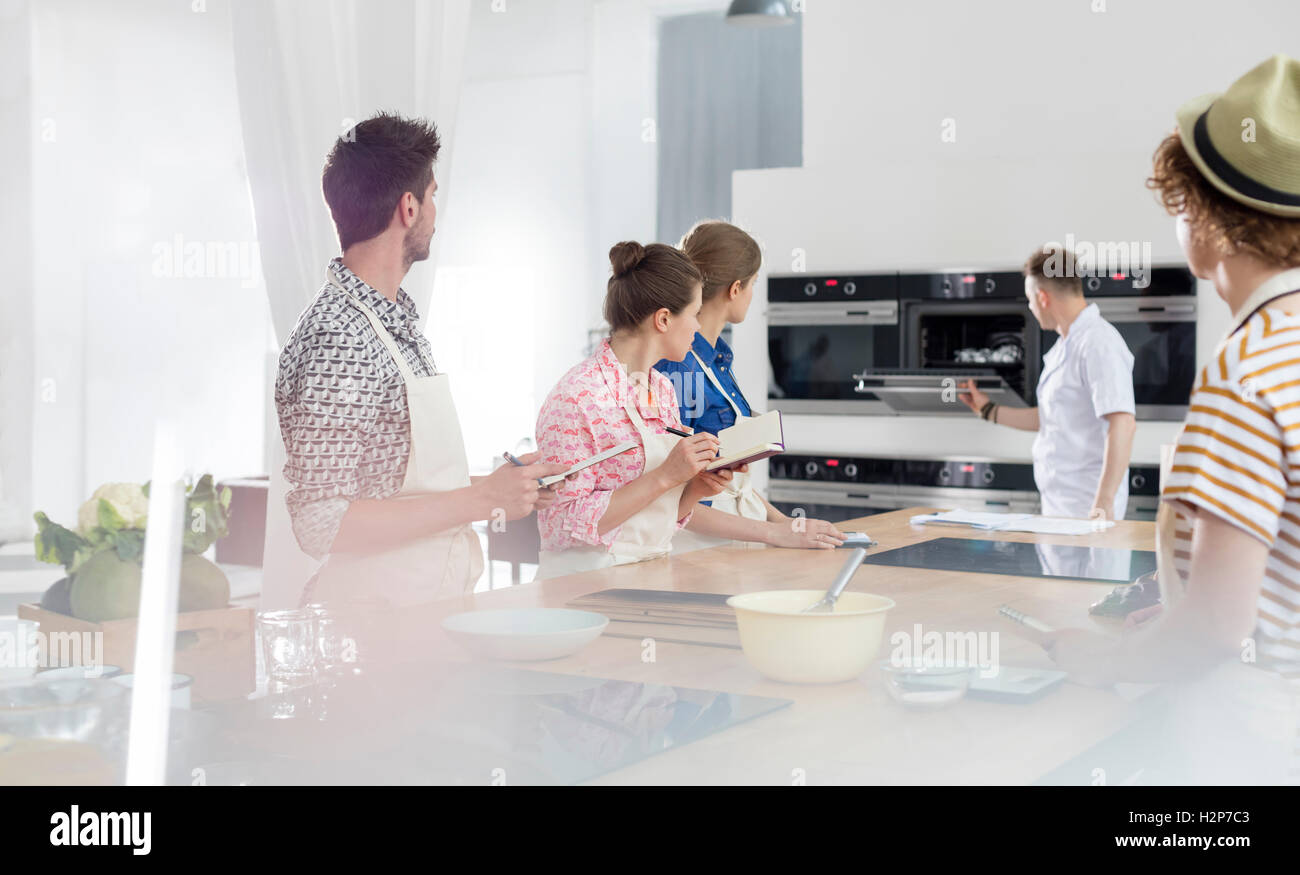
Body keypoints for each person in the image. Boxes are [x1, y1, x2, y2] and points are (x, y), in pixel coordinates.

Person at [1044, 55, 1300, 781]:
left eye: (1183, 204)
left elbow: (1222, 629)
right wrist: (1179, 614)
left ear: (1213, 220)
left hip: (1250, 742)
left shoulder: (1244, 368)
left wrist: (1109, 657)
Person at [274, 112, 566, 608]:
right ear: (409, 207)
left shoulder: (392, 321)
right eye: (433, 197)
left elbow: (393, 487)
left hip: (425, 607)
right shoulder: (338, 337)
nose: (436, 212)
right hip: (374, 628)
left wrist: (503, 488)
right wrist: (480, 500)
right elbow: (321, 522)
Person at [534, 242, 845, 579]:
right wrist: (666, 475)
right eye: (694, 314)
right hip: (585, 585)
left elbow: (661, 516)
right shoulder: (577, 398)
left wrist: (696, 487)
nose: (698, 327)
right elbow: (560, 525)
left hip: (651, 574)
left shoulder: (662, 391)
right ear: (664, 319)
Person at [654, 220, 844, 552]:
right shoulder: (677, 368)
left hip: (734, 540)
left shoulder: (717, 361)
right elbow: (668, 498)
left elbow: (729, 480)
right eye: (754, 283)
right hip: (696, 550)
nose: (754, 294)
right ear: (736, 288)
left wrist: (784, 522)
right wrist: (774, 534)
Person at [959, 246, 1137, 521]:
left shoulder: (1098, 343)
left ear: (1042, 298)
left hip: (1088, 508)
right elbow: (1051, 419)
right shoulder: (1064, 347)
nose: (1030, 307)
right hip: (1059, 506)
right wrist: (986, 409)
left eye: (1029, 299)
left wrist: (1103, 502)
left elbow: (1122, 422)